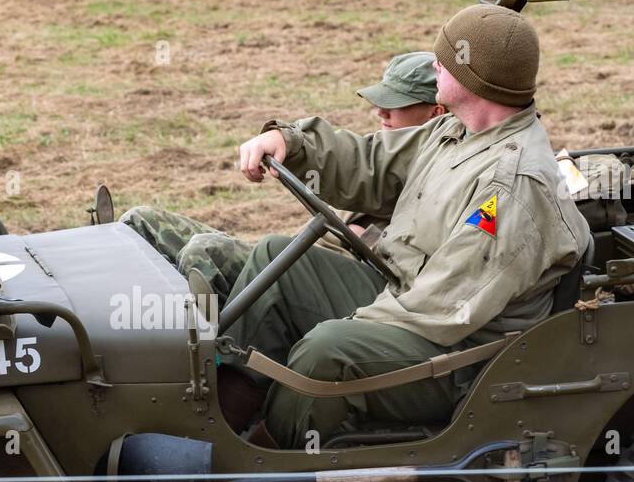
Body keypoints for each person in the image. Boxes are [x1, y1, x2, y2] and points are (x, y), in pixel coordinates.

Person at [225, 3, 591, 449]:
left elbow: (448, 304)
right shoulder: (458, 131)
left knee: (328, 349)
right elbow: (372, 164)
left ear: (478, 80)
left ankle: (266, 457)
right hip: (407, 299)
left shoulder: (511, 186)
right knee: (274, 263)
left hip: (458, 354)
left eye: (446, 59)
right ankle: (221, 418)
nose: (434, 63)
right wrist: (293, 142)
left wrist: (354, 323)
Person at [119, 52, 444, 304]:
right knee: (139, 224)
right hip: (296, 263)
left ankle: (197, 365)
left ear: (436, 114)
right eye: (380, 102)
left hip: (328, 287)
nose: (380, 113)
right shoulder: (377, 162)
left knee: (203, 254)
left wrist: (369, 238)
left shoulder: (449, 175)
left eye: (395, 105)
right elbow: (346, 158)